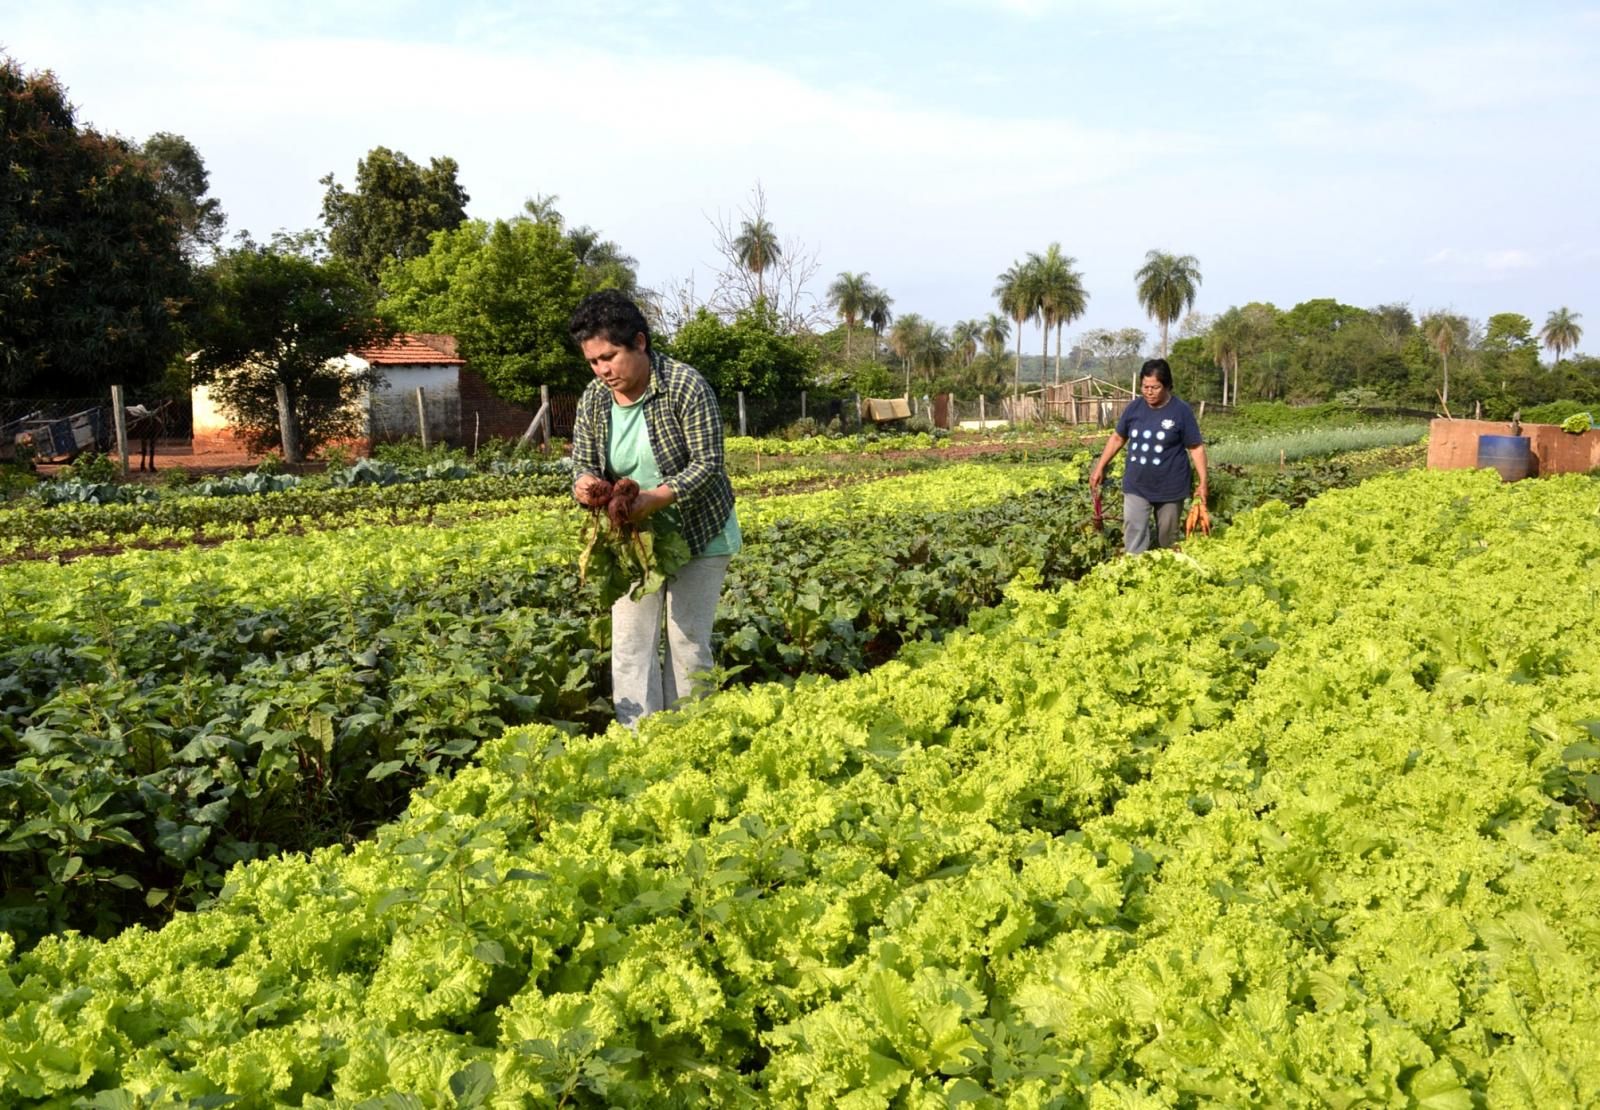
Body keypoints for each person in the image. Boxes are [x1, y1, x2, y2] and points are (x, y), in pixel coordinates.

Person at [569, 290, 741, 727]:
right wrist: (585, 485)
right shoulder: (594, 398)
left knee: (687, 643)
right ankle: (640, 741)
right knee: (631, 643)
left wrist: (656, 498)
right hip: (634, 537)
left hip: (699, 530)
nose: (602, 370)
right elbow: (583, 463)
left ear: (640, 343)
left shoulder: (685, 385)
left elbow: (708, 464)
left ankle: (691, 735)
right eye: (593, 362)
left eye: (609, 357)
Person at [1088, 358, 1208, 554]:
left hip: (1171, 488)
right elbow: (1118, 438)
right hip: (1137, 484)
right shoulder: (1134, 408)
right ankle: (1135, 568)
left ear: (1167, 386)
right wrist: (1100, 467)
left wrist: (1203, 482)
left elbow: (1196, 448)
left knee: (1167, 539)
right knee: (1134, 535)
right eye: (1145, 387)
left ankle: (1167, 568)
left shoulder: (1181, 411)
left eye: (1155, 387)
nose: (1149, 392)